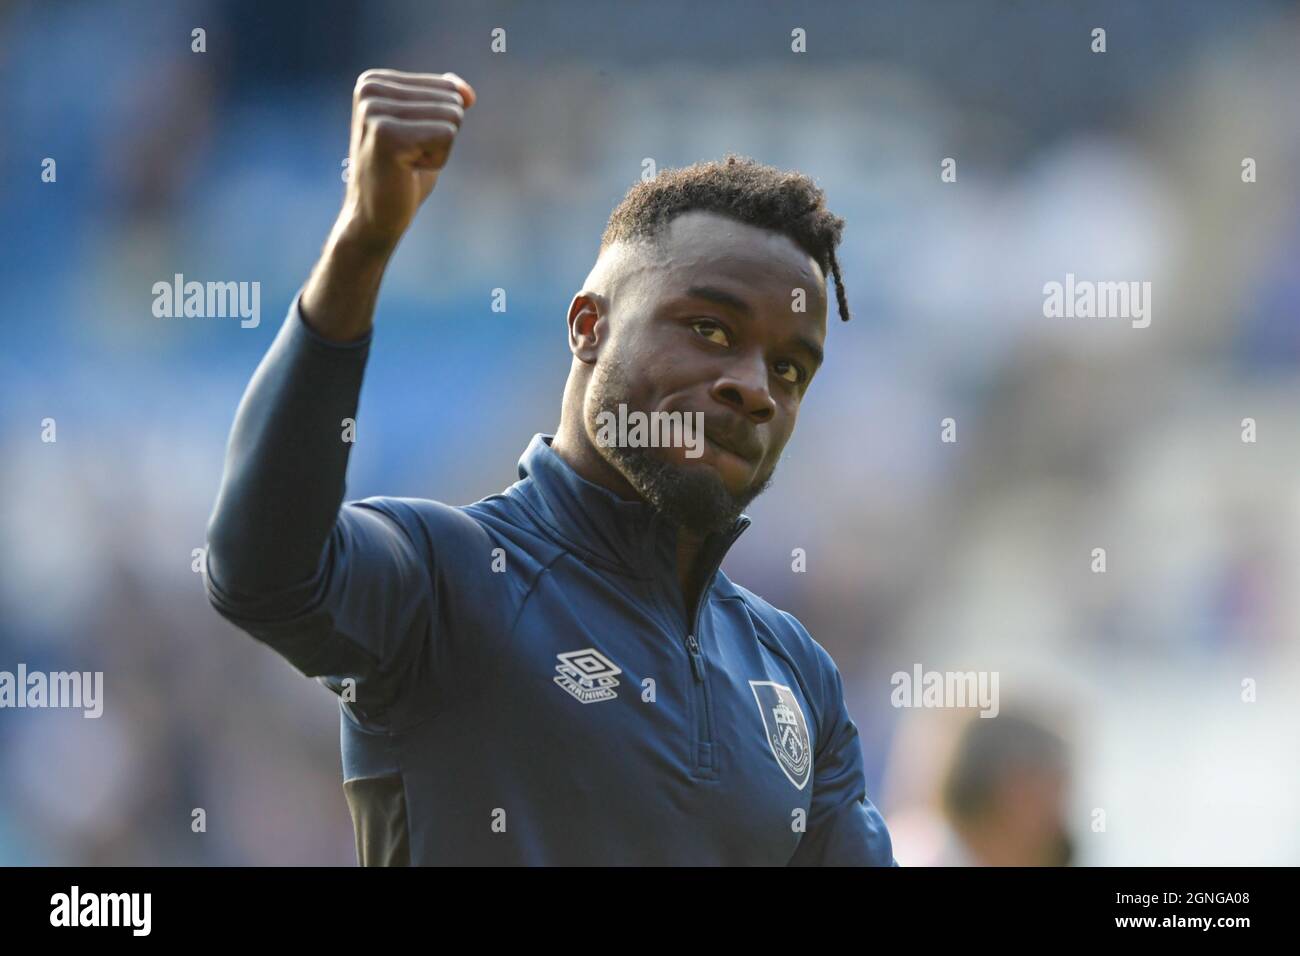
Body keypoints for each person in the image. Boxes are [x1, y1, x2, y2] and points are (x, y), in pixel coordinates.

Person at [203, 68, 895, 865]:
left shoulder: (798, 676)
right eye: (709, 329)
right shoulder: (448, 574)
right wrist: (362, 244)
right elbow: (263, 573)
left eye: (790, 370)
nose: (754, 388)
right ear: (588, 327)